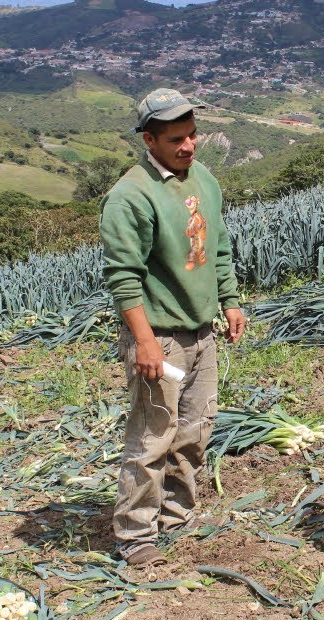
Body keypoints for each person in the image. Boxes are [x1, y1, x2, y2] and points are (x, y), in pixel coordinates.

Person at [100, 88, 246, 567]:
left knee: (195, 430)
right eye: (176, 139)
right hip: (159, 335)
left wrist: (229, 301)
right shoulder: (130, 196)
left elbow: (218, 245)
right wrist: (144, 342)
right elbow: (123, 277)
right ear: (149, 139)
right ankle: (135, 534)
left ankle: (176, 514)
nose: (188, 146)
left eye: (192, 136)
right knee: (151, 435)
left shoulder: (202, 179)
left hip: (200, 331)